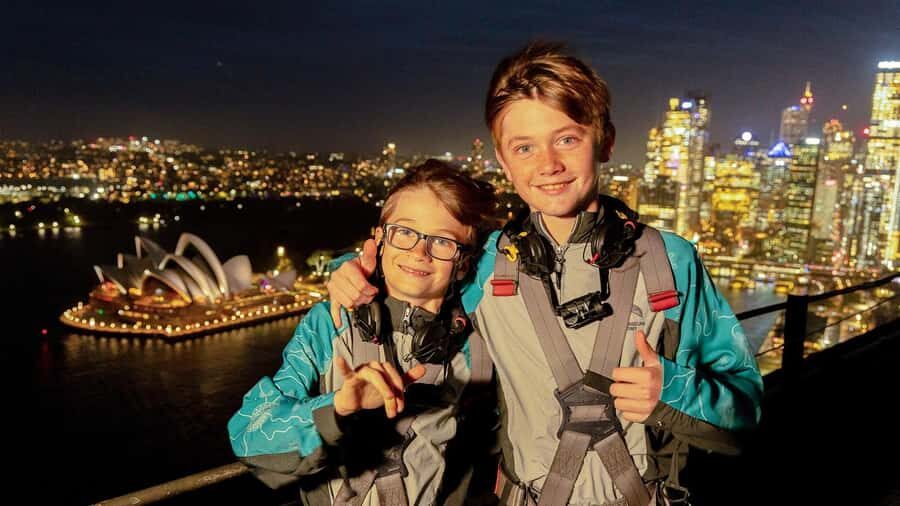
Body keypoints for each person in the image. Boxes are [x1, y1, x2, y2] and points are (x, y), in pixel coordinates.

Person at [326, 42, 763, 505]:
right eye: (525, 147)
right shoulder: (488, 263)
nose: (549, 165)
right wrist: (348, 273)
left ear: (606, 140)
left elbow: (747, 410)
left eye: (568, 139)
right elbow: (411, 273)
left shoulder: (670, 262)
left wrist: (673, 391)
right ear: (503, 159)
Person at [228, 159, 499, 505]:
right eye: (404, 232)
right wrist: (337, 409)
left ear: (463, 261)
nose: (419, 252)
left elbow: (518, 239)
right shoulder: (330, 323)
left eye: (443, 242)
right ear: (379, 240)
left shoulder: (477, 334)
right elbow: (249, 435)